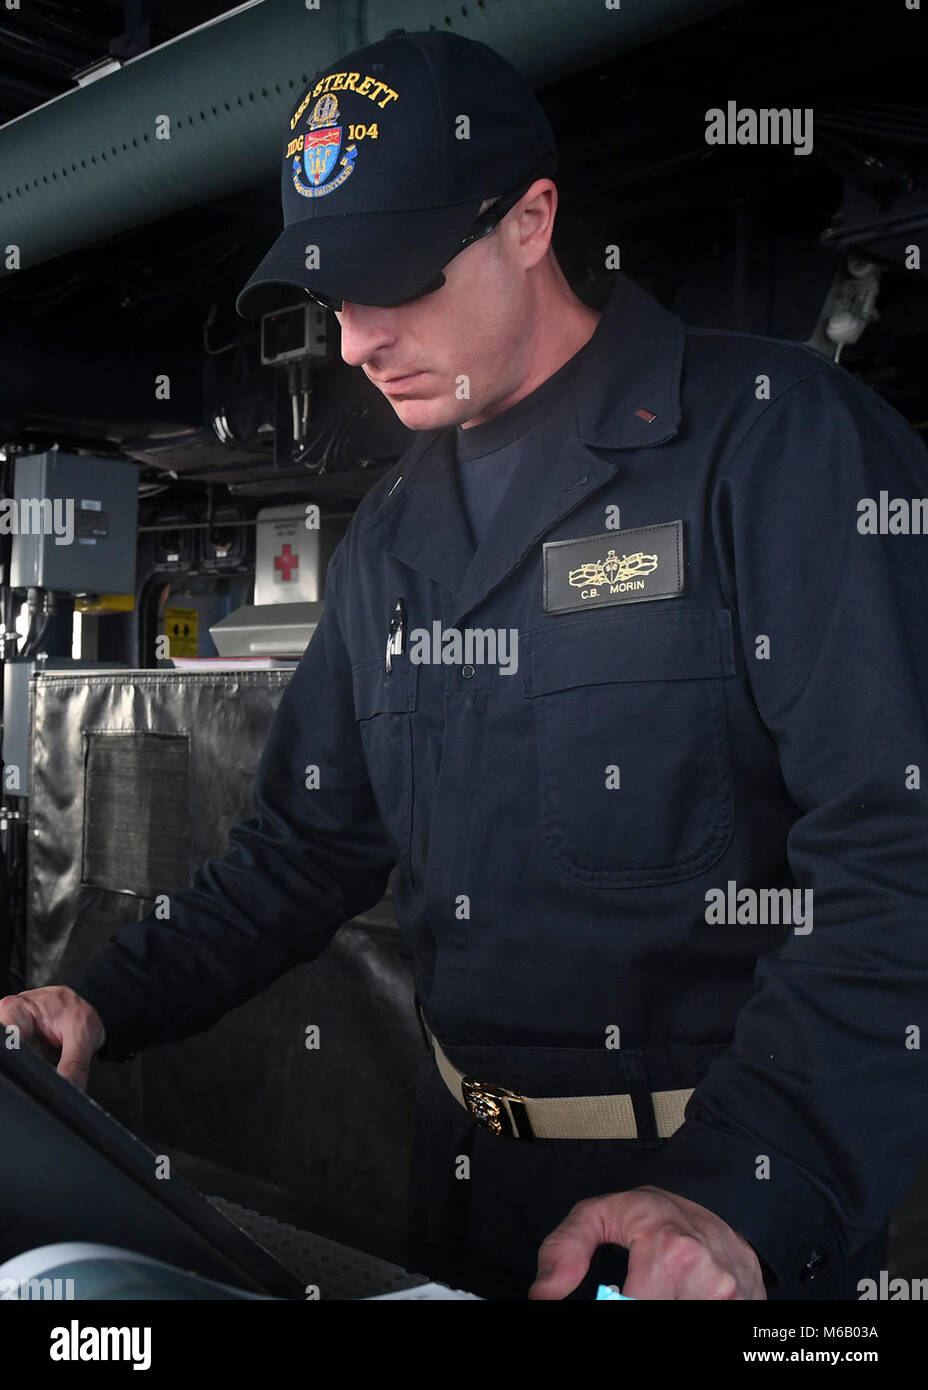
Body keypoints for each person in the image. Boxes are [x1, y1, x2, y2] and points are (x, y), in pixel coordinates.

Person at [3, 29, 927, 1302]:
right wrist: (99, 1000)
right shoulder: (391, 536)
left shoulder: (774, 452)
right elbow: (299, 851)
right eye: (331, 295)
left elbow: (899, 855)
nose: (358, 340)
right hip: (464, 1190)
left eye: (397, 278)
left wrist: (747, 1190)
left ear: (532, 219)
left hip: (699, 1219)